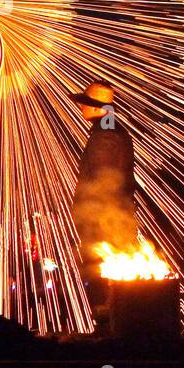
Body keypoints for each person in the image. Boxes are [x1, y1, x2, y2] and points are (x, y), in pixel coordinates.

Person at [69, 80, 140, 306]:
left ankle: (109, 326)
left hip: (104, 223)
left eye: (86, 103)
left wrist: (92, 218)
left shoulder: (105, 135)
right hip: (112, 219)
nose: (82, 108)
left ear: (99, 108)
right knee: (113, 277)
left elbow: (104, 181)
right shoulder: (110, 128)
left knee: (103, 276)